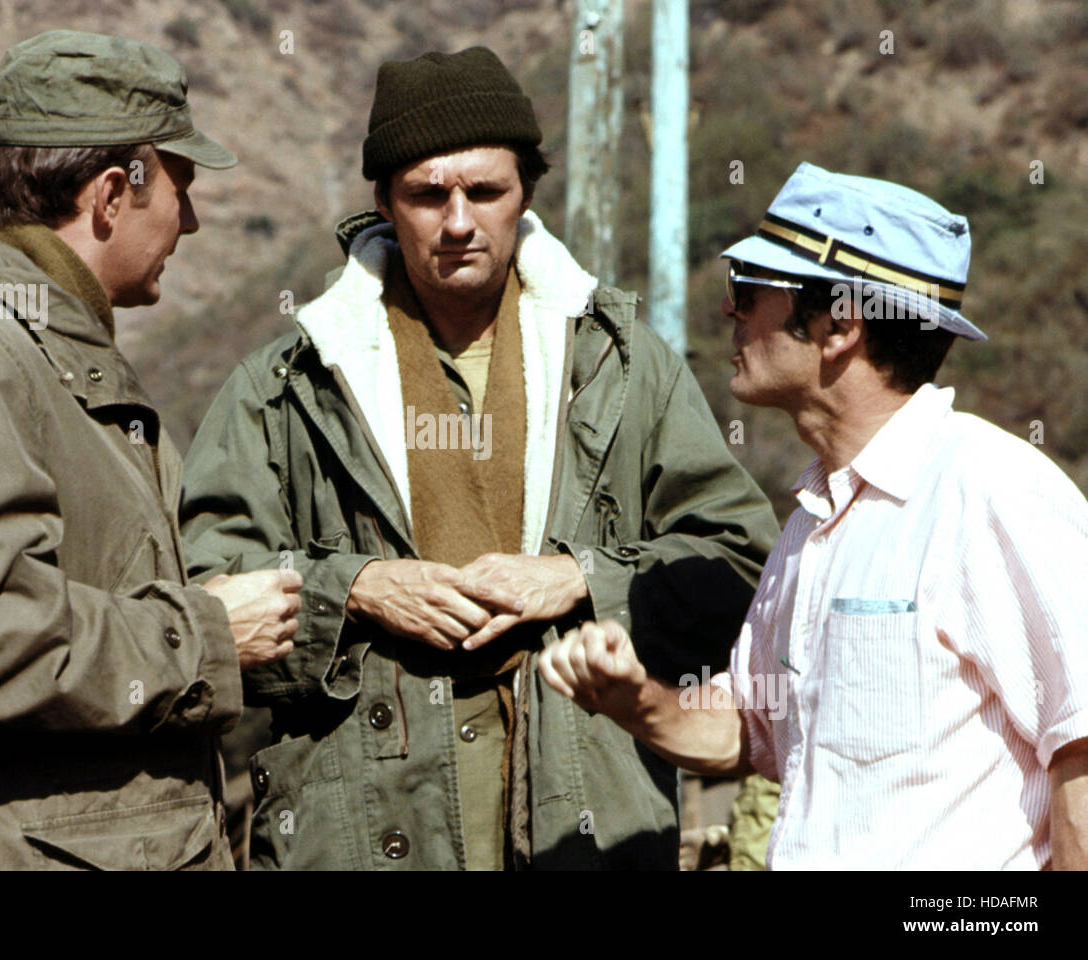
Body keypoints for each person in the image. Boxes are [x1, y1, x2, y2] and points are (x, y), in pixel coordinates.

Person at [180, 46, 779, 870]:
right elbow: (206, 601)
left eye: (484, 192)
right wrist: (354, 589)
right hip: (363, 831)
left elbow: (741, 564)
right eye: (428, 195)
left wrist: (580, 576)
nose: (458, 221)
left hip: (585, 827)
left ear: (525, 196)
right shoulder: (289, 384)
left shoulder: (623, 364)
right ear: (387, 202)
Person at [540, 162, 1088, 869]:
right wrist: (635, 700)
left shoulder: (992, 491)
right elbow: (751, 723)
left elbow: (1080, 742)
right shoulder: (812, 520)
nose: (730, 311)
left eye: (750, 290)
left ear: (838, 325)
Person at [0, 29, 301, 870]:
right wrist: (203, 636)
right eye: (181, 186)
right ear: (109, 195)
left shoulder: (45, 352)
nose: (190, 221)